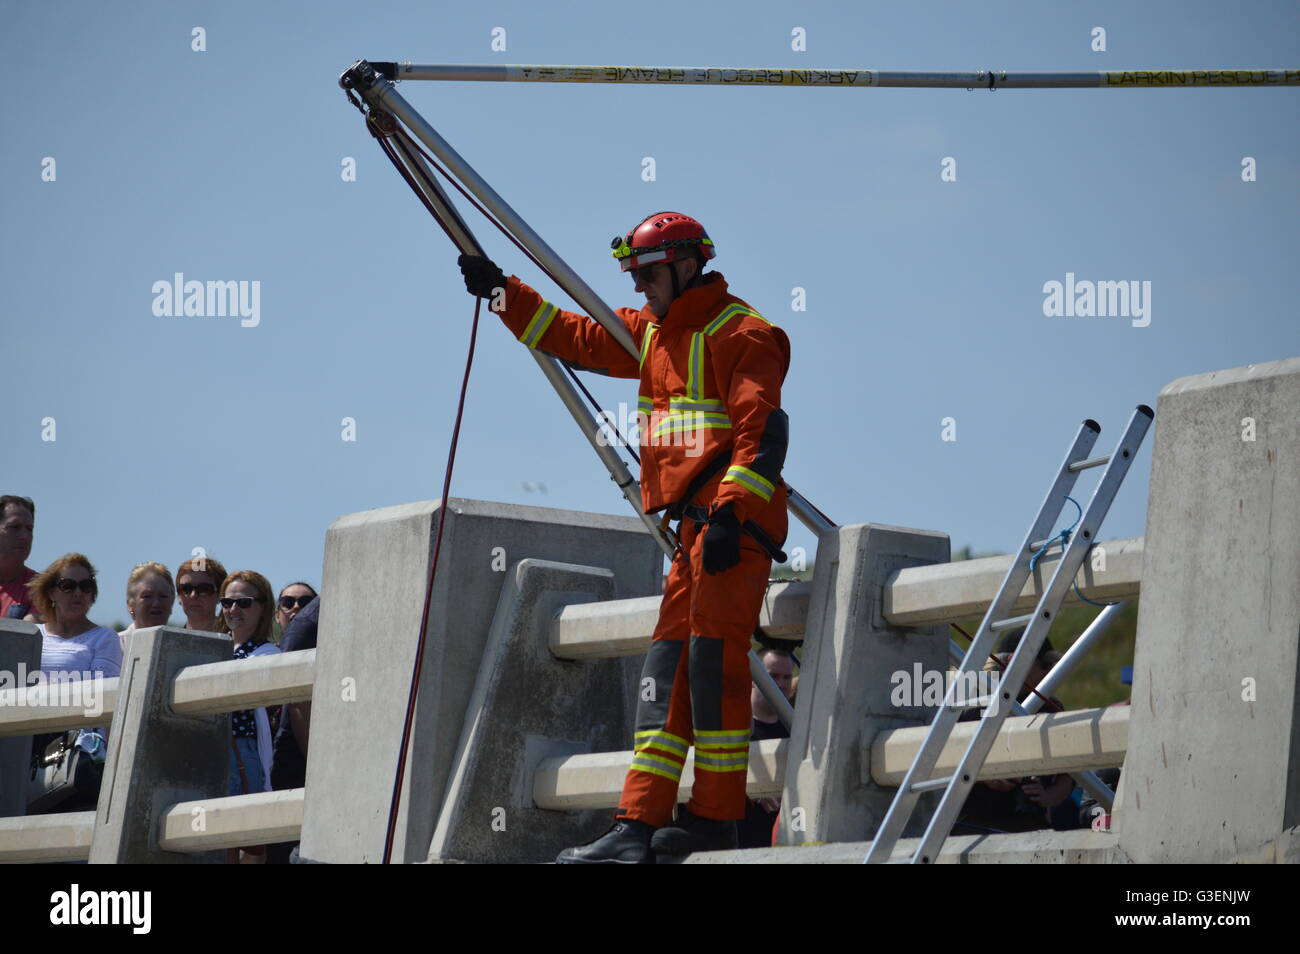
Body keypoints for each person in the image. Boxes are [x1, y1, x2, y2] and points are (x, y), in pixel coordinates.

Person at [460, 211, 791, 863]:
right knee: (664, 675)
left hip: (731, 530)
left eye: (647, 274)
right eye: (634, 276)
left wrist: (729, 512)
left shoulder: (746, 333)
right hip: (692, 534)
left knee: (712, 670)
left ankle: (714, 819)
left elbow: (763, 436)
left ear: (685, 266)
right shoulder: (650, 333)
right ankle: (637, 825)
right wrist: (501, 293)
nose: (639, 287)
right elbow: (572, 335)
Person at [27, 554, 122, 811]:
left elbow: (99, 697)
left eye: (86, 586)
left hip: (78, 761)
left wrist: (42, 690)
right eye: (68, 585)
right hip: (28, 754)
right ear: (51, 592)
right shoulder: (33, 636)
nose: (78, 593)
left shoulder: (105, 639)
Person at [267, 593, 320, 864]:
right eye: (287, 602)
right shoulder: (307, 627)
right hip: (296, 761)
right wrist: (321, 771)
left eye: (305, 600)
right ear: (277, 612)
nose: (297, 607)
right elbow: (297, 703)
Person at [219, 572, 281, 798]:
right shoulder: (214, 646)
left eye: (244, 603)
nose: (234, 610)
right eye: (227, 602)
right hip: (207, 747)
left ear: (263, 608)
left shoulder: (269, 653)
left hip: (242, 748)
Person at [737, 647, 796, 849]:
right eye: (772, 676)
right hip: (742, 846)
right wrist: (753, 787)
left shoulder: (800, 728)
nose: (780, 684)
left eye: (786, 677)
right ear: (754, 679)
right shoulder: (732, 728)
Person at [118, 562, 175, 653]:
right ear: (130, 605)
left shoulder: (182, 647)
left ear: (172, 602)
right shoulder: (114, 646)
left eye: (163, 596)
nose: (156, 603)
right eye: (147, 596)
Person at [0, 495, 38, 619]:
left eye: (29, 529)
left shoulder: (42, 588)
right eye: (15, 527)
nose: (24, 536)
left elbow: (28, 634)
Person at [175, 555, 228, 633]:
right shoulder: (169, 641)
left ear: (220, 595)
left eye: (204, 589)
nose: (193, 595)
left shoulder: (236, 641)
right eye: (186, 589)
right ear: (178, 596)